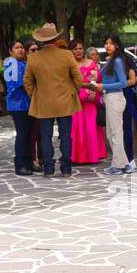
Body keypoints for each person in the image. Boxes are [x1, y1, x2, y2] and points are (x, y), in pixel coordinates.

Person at [23, 23, 82, 177]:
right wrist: (72, 92)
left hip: (43, 102)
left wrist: (35, 95)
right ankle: (66, 168)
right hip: (65, 101)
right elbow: (78, 78)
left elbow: (27, 82)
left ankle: (48, 168)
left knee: (45, 137)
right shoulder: (67, 55)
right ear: (56, 37)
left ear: (41, 40)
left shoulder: (33, 58)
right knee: (65, 136)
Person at [100, 35, 133, 176]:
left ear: (117, 46)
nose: (107, 46)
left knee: (115, 133)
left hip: (115, 97)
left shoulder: (118, 61)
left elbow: (124, 83)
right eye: (106, 43)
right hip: (110, 97)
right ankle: (125, 163)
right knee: (111, 133)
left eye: (111, 44)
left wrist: (103, 85)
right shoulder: (111, 61)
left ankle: (117, 165)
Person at [71, 41, 107, 164]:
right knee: (76, 130)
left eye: (80, 48)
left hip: (90, 103)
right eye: (75, 48)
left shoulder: (91, 63)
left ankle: (92, 156)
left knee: (91, 129)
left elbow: (98, 80)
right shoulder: (69, 65)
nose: (78, 51)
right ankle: (78, 157)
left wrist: (85, 85)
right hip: (74, 103)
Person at [3, 41, 34, 175]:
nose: (20, 50)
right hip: (17, 104)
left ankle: (28, 163)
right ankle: (20, 164)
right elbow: (15, 83)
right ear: (11, 51)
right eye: (17, 48)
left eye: (22, 47)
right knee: (22, 134)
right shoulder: (11, 63)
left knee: (28, 135)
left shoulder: (26, 63)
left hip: (29, 104)